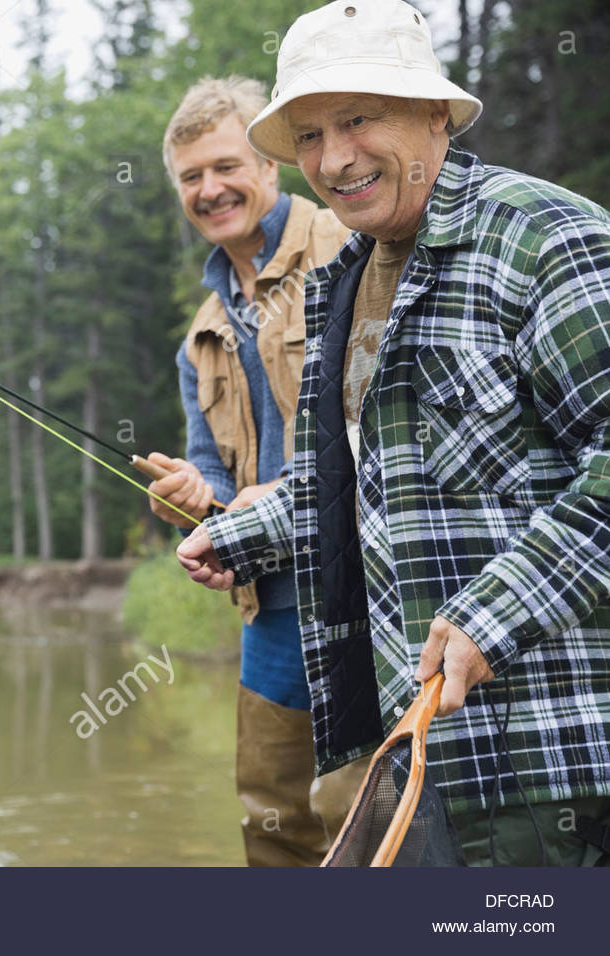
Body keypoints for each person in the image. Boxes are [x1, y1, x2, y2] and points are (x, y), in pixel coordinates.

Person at [177, 0, 610, 865]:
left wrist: (496, 611)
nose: (334, 158)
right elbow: (364, 485)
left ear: (432, 111)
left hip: (548, 768)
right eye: (309, 134)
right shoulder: (347, 278)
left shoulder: (546, 238)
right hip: (412, 753)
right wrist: (248, 531)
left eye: (359, 118)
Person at [149, 76, 357, 866]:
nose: (211, 189)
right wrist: (197, 502)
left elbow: (387, 422)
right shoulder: (199, 336)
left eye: (226, 165)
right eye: (192, 177)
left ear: (270, 165)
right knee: (274, 818)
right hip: (269, 604)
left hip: (365, 588)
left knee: (364, 811)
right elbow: (211, 476)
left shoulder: (349, 247)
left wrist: (282, 487)